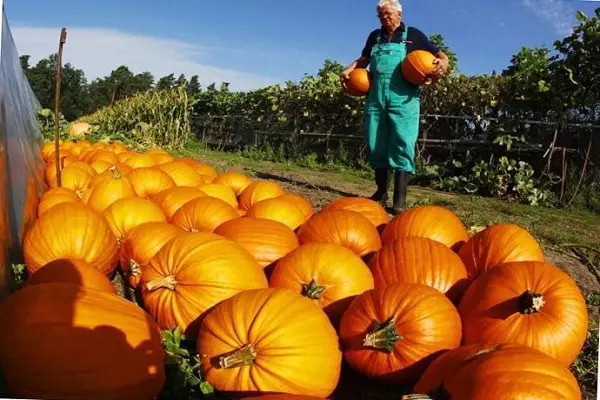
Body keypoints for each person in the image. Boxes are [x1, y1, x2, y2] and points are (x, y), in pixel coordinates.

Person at [340, 0, 449, 214]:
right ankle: (381, 192)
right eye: (380, 15)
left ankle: (400, 200)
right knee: (376, 142)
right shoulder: (374, 36)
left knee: (403, 142)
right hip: (376, 97)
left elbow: (439, 54)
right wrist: (348, 70)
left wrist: (444, 62)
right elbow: (363, 60)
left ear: (399, 13)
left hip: (404, 97)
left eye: (388, 14)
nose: (384, 18)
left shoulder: (413, 35)